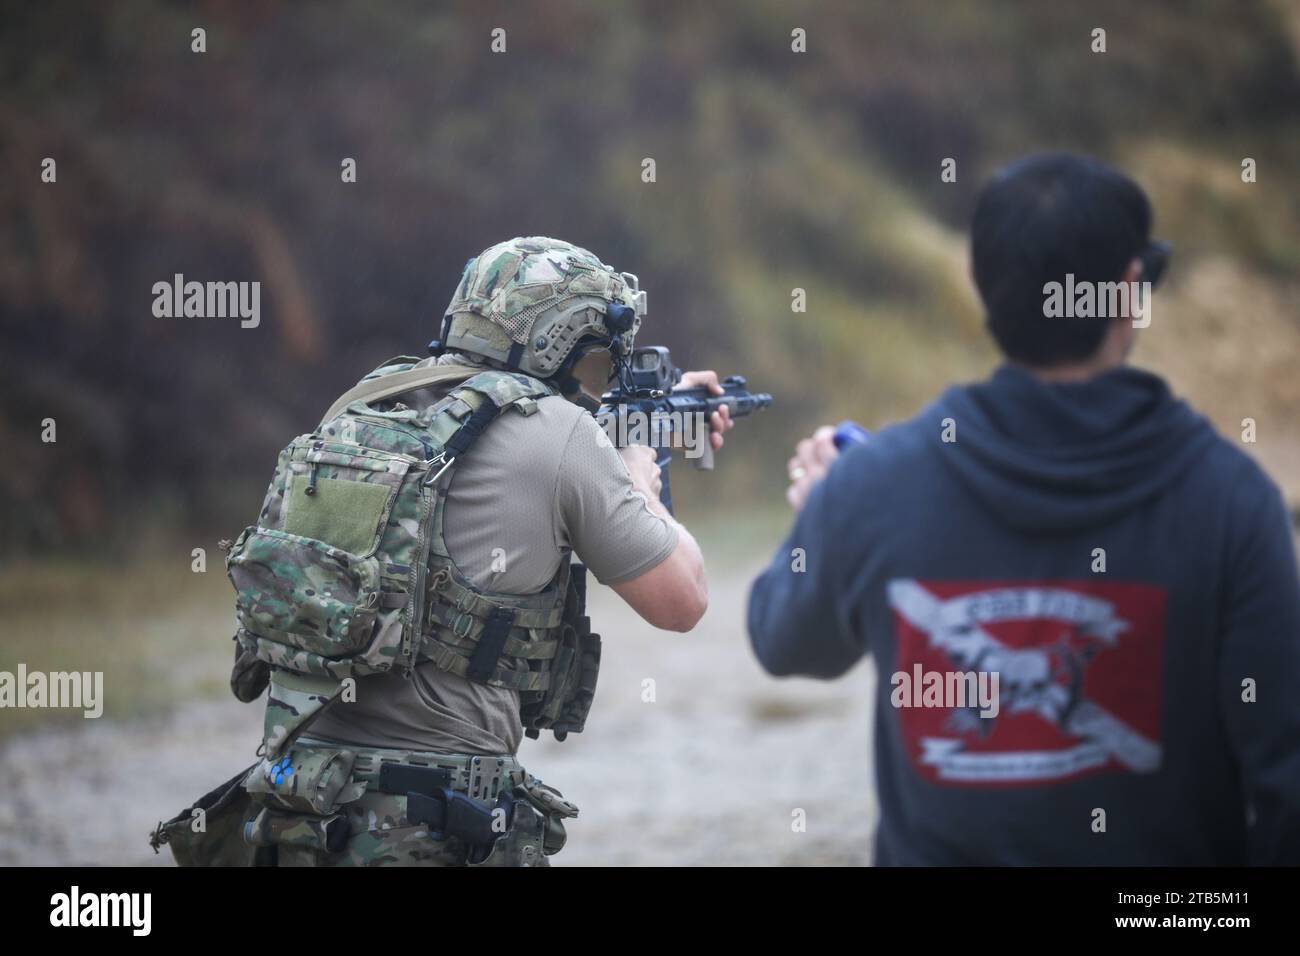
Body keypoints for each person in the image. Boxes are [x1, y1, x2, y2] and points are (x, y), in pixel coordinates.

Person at [747, 153, 1300, 865]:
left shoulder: (874, 490)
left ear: (982, 290)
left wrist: (821, 521)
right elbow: (1285, 778)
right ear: (1130, 292)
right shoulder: (1232, 500)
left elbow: (787, 643)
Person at [225, 236, 732, 866]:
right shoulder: (562, 434)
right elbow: (682, 600)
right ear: (563, 340)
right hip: (436, 823)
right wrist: (639, 480)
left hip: (300, 807)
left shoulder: (364, 405)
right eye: (592, 356)